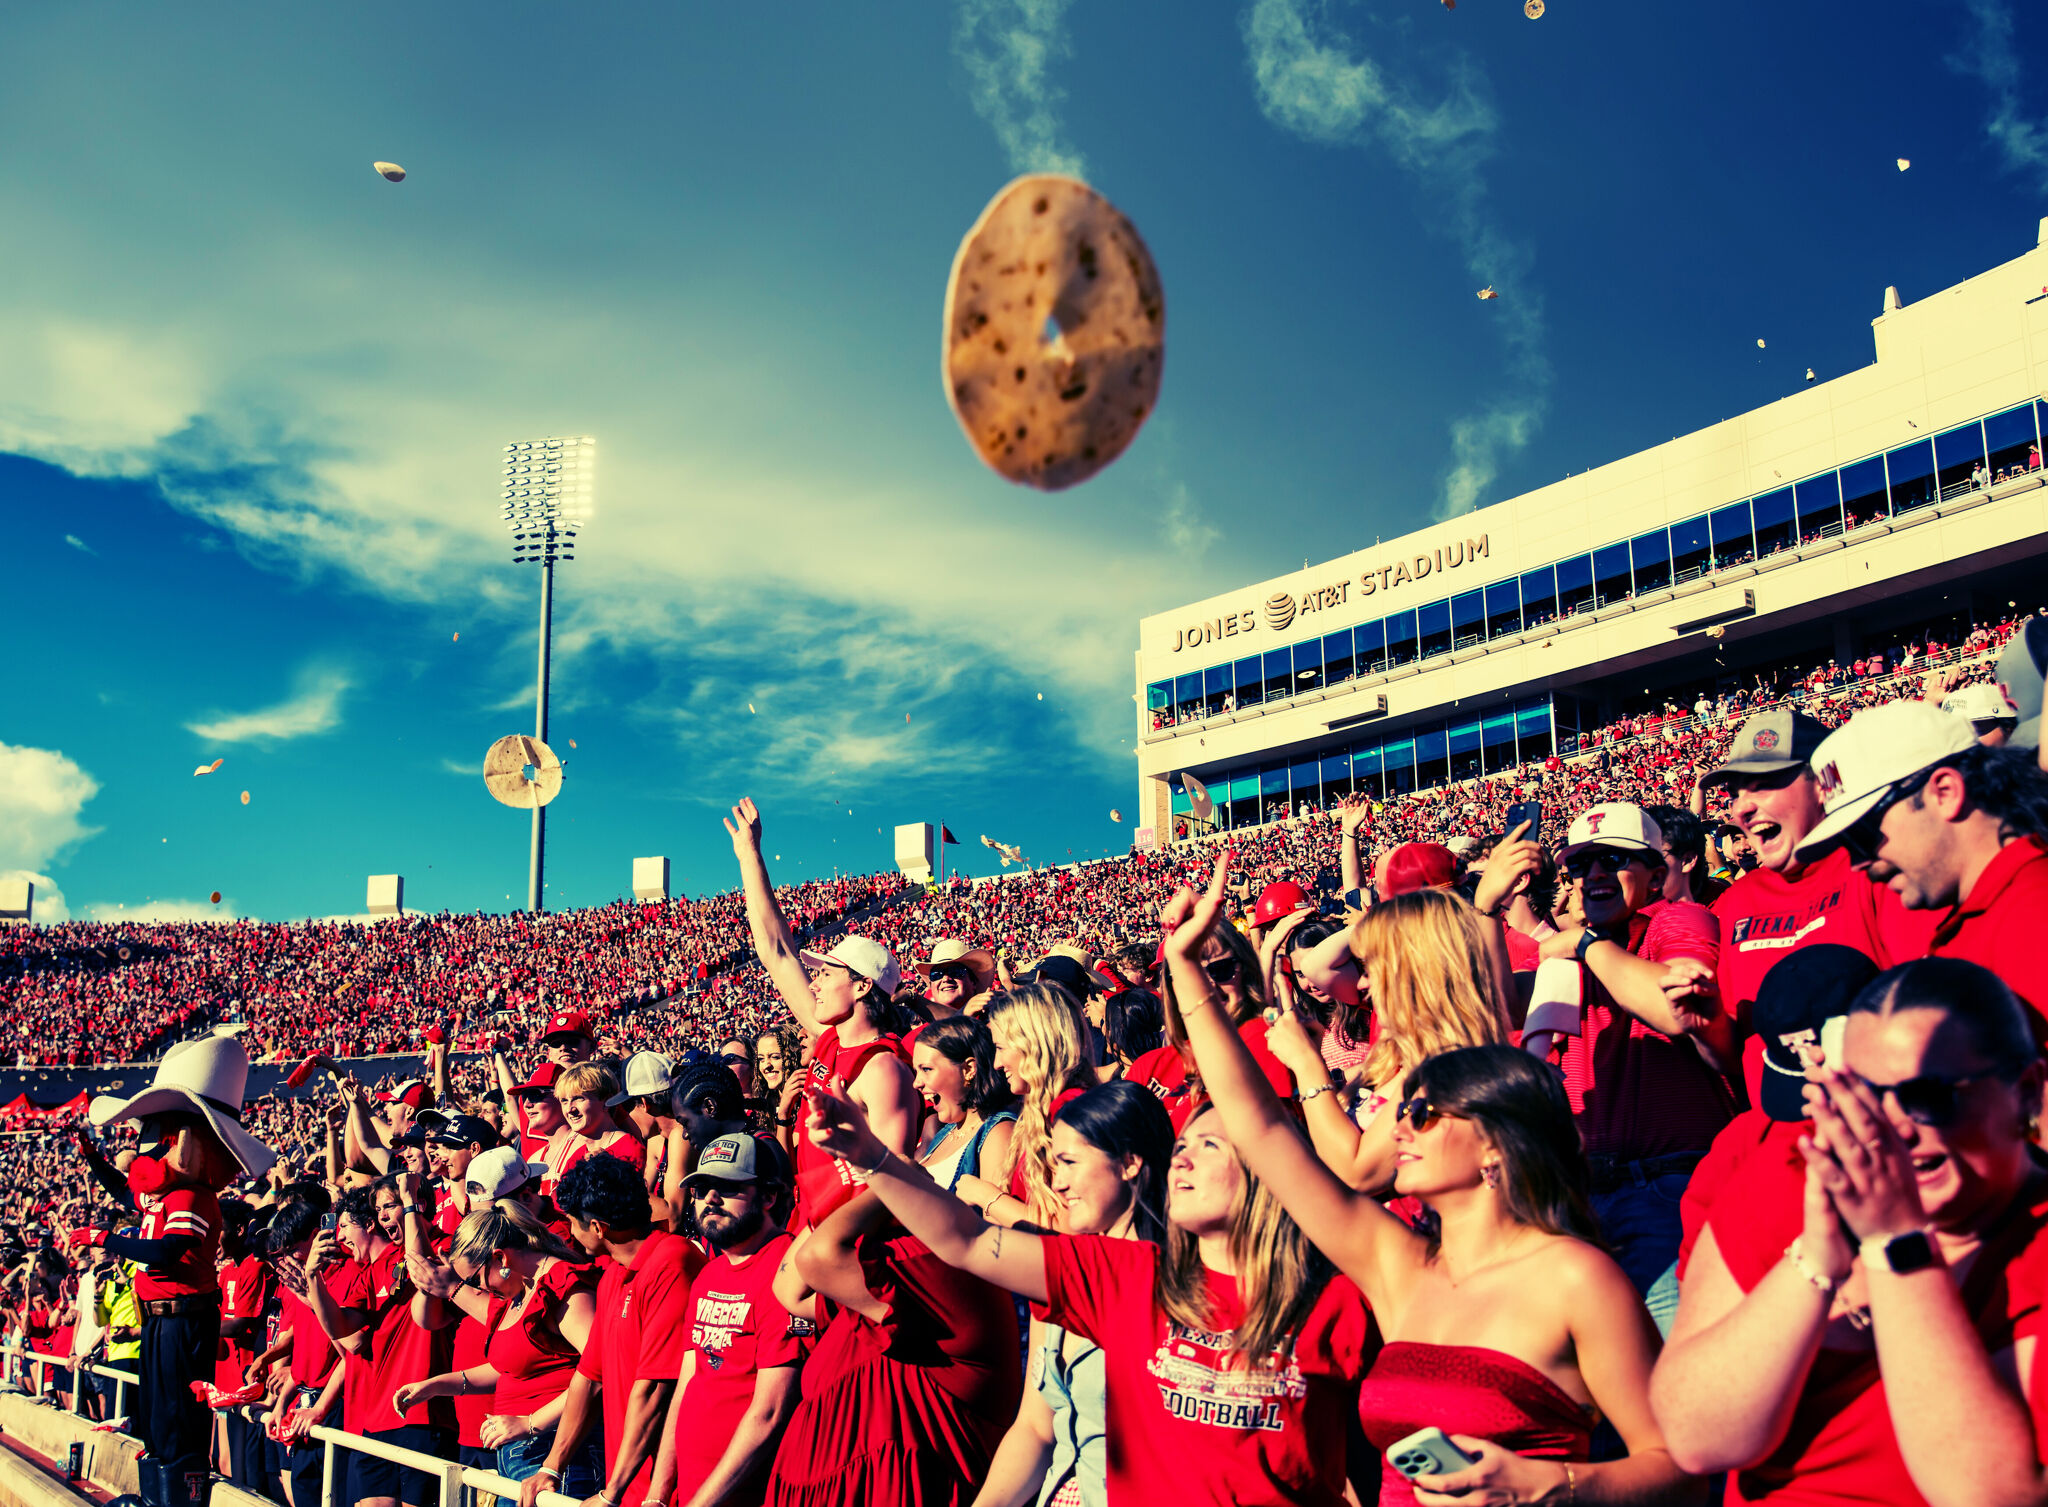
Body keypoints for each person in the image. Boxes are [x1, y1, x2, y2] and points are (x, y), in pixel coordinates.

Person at [1159, 851, 1693, 1507]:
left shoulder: (1577, 1278)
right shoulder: (1399, 1265)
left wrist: (1552, 1486)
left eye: (1423, 1110)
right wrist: (1184, 970)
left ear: (1497, 1141)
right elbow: (1259, 1128)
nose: (1400, 1126)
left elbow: (1677, 1466)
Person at [801, 1077, 1371, 1507]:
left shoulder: (1344, 1300)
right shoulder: (1126, 1274)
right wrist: (872, 1157)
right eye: (1181, 1147)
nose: (1183, 1161)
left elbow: (1370, 1471)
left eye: (1211, 1147)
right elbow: (968, 1241)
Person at [1651, 958, 2048, 1507]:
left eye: (1931, 1095)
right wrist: (1817, 1256)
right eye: (1864, 1095)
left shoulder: (2035, 1243)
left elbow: (1993, 1494)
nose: (1897, 1126)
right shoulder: (1796, 1168)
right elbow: (1698, 1437)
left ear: (2027, 1093)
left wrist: (1897, 1245)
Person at [1512, 804, 1733, 1309]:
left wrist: (1589, 946)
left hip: (1668, 1186)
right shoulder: (1571, 953)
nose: (1593, 875)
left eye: (1613, 859)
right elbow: (1489, 997)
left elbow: (1677, 1010)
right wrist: (1486, 908)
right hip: (1581, 1196)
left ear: (1657, 877)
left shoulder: (1678, 919)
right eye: (1580, 865)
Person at [74, 1035, 279, 1507]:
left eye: (156, 1135)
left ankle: (175, 1500)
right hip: (161, 1315)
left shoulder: (192, 1197)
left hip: (184, 1316)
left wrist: (107, 1239)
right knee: (155, 1415)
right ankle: (154, 1497)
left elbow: (170, 1250)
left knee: (176, 1415)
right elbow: (128, 1197)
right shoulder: (168, 1195)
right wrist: (93, 1160)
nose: (146, 1146)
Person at [1702, 708, 1940, 1108]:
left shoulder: (1877, 871)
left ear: (1824, 785)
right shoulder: (1731, 906)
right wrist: (1704, 1026)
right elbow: (1731, 1058)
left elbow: (1929, 1017)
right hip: (1775, 1145)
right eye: (1735, 793)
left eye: (1763, 785)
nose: (1741, 808)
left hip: (1878, 1130)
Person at [770, 1133, 1024, 1507]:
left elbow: (816, 1258)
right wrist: (865, 1188)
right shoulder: (876, 1281)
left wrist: (889, 1179)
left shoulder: (933, 1268)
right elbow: (790, 1290)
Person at [972, 1083, 1172, 1507]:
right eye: (1051, 1166)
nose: (1056, 1184)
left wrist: (875, 1161)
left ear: (1130, 1162)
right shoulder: (1066, 1271)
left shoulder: (1176, 1284)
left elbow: (963, 1243)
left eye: (1068, 1163)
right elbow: (1035, 1427)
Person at [726, 796, 919, 1230]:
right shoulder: (828, 1038)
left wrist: (818, 1245)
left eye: (827, 973)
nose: (813, 982)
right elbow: (776, 952)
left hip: (847, 1247)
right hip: (809, 1226)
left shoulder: (883, 1068)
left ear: (863, 985)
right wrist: (749, 856)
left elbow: (892, 1186)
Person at [1794, 699, 2048, 1016]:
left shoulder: (2034, 915)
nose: (1858, 864)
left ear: (1945, 793)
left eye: (1862, 836)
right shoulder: (1994, 912)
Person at [1260, 891, 1511, 1197]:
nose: (1361, 984)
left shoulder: (1446, 1066)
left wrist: (1306, 1064)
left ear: (1418, 972)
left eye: (1369, 970)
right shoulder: (1400, 1053)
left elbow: (1356, 1174)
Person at [520, 1153, 702, 1507]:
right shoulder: (613, 1275)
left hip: (668, 1493)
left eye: (572, 1221)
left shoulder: (674, 1261)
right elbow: (588, 1378)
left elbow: (655, 1389)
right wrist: (552, 1468)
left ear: (598, 1228)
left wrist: (610, 1493)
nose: (570, 1231)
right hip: (627, 1486)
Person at [393, 1204, 601, 1494]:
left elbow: (599, 1371)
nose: (480, 1290)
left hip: (557, 1456)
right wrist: (435, 1386)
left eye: (474, 1279)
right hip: (518, 1456)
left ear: (500, 1257)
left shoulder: (561, 1285)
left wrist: (531, 1423)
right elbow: (510, 1368)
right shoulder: (519, 1290)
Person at [647, 1132, 805, 1507]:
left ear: (768, 1196)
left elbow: (770, 1412)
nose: (710, 1200)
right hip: (694, 1491)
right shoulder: (709, 1273)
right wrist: (658, 1494)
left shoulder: (787, 1269)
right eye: (702, 1189)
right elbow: (687, 1387)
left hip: (750, 1493)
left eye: (729, 1188)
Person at [967, 985, 1094, 1227]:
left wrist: (985, 1197)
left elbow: (1069, 1227)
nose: (996, 1063)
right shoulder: (1043, 1111)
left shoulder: (1071, 1111)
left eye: (1001, 1048)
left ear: (1034, 1044)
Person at [911, 1016, 1018, 1193]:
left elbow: (992, 1218)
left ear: (968, 1069)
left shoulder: (999, 1133)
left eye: (927, 1069)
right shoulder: (948, 1131)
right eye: (917, 1071)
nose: (917, 1083)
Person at [545, 1062, 644, 1187]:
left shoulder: (628, 1147)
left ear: (607, 1100)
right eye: (564, 1101)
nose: (570, 1109)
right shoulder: (576, 1155)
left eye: (579, 1098)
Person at [914, 940, 999, 1021]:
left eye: (955, 972)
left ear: (973, 982)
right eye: (936, 974)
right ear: (931, 986)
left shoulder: (997, 1024)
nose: (946, 979)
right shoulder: (917, 1035)